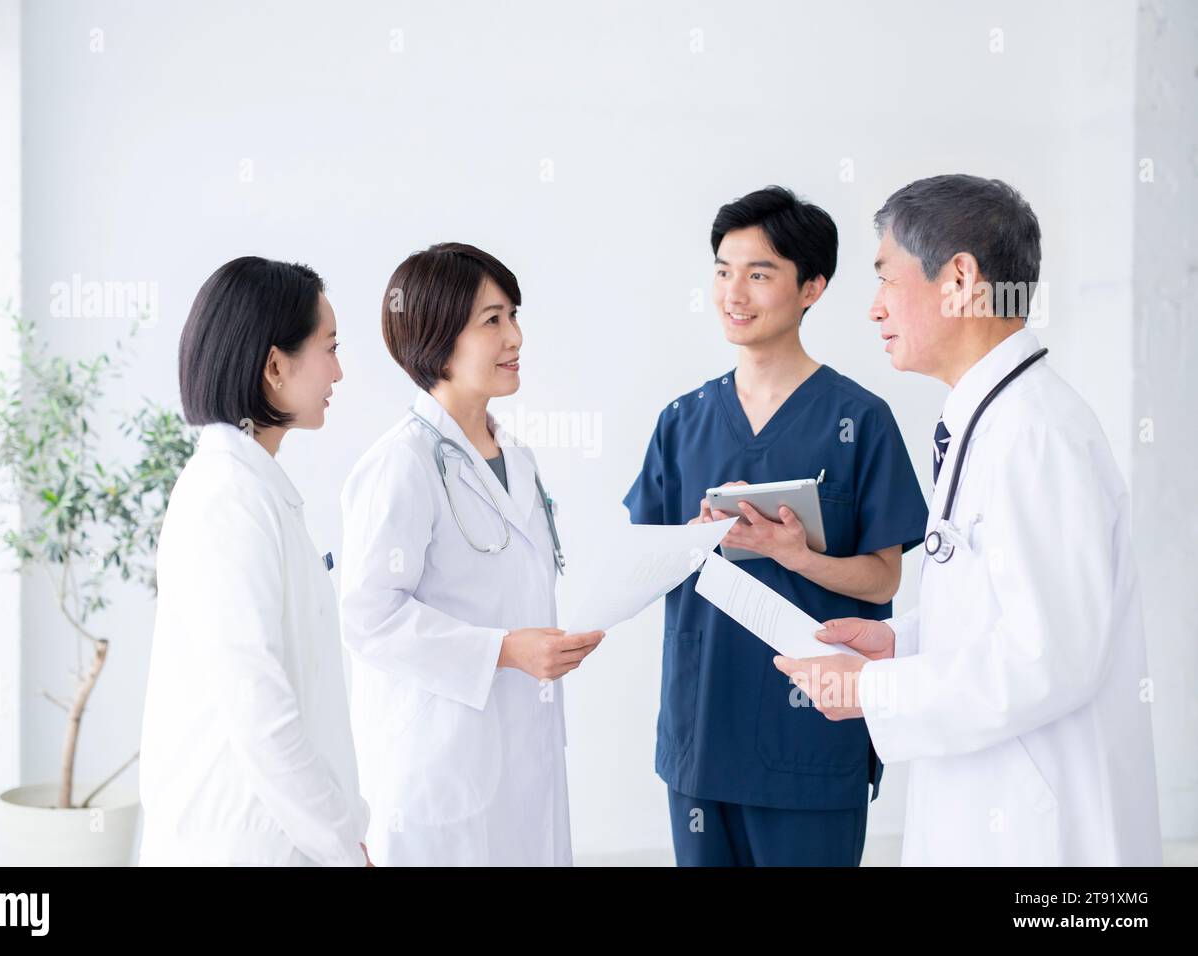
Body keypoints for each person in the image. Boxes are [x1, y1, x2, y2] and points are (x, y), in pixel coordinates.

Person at [773, 174, 1163, 865]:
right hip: (991, 810)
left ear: (958, 279)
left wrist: (873, 690)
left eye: (887, 279)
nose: (873, 309)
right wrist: (901, 641)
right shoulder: (990, 422)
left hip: (1037, 838)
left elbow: (1051, 658)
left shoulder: (1035, 435)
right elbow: (1006, 609)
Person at [624, 187, 928, 866]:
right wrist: (691, 541)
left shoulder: (859, 420)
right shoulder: (683, 421)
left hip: (811, 738)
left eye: (760, 274)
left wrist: (795, 554)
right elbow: (643, 561)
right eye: (724, 271)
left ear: (812, 287)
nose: (735, 292)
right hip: (703, 736)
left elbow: (884, 575)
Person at [338, 242, 604, 865]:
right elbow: (368, 618)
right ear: (436, 339)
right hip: (438, 766)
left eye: (513, 315)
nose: (515, 336)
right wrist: (506, 651)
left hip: (523, 751)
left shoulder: (519, 458)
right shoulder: (399, 465)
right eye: (493, 320)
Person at [139, 256, 371, 866]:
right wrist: (342, 846)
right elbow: (259, 710)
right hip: (242, 845)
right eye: (331, 347)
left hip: (279, 838)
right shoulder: (228, 497)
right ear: (274, 365)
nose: (340, 371)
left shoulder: (251, 487)